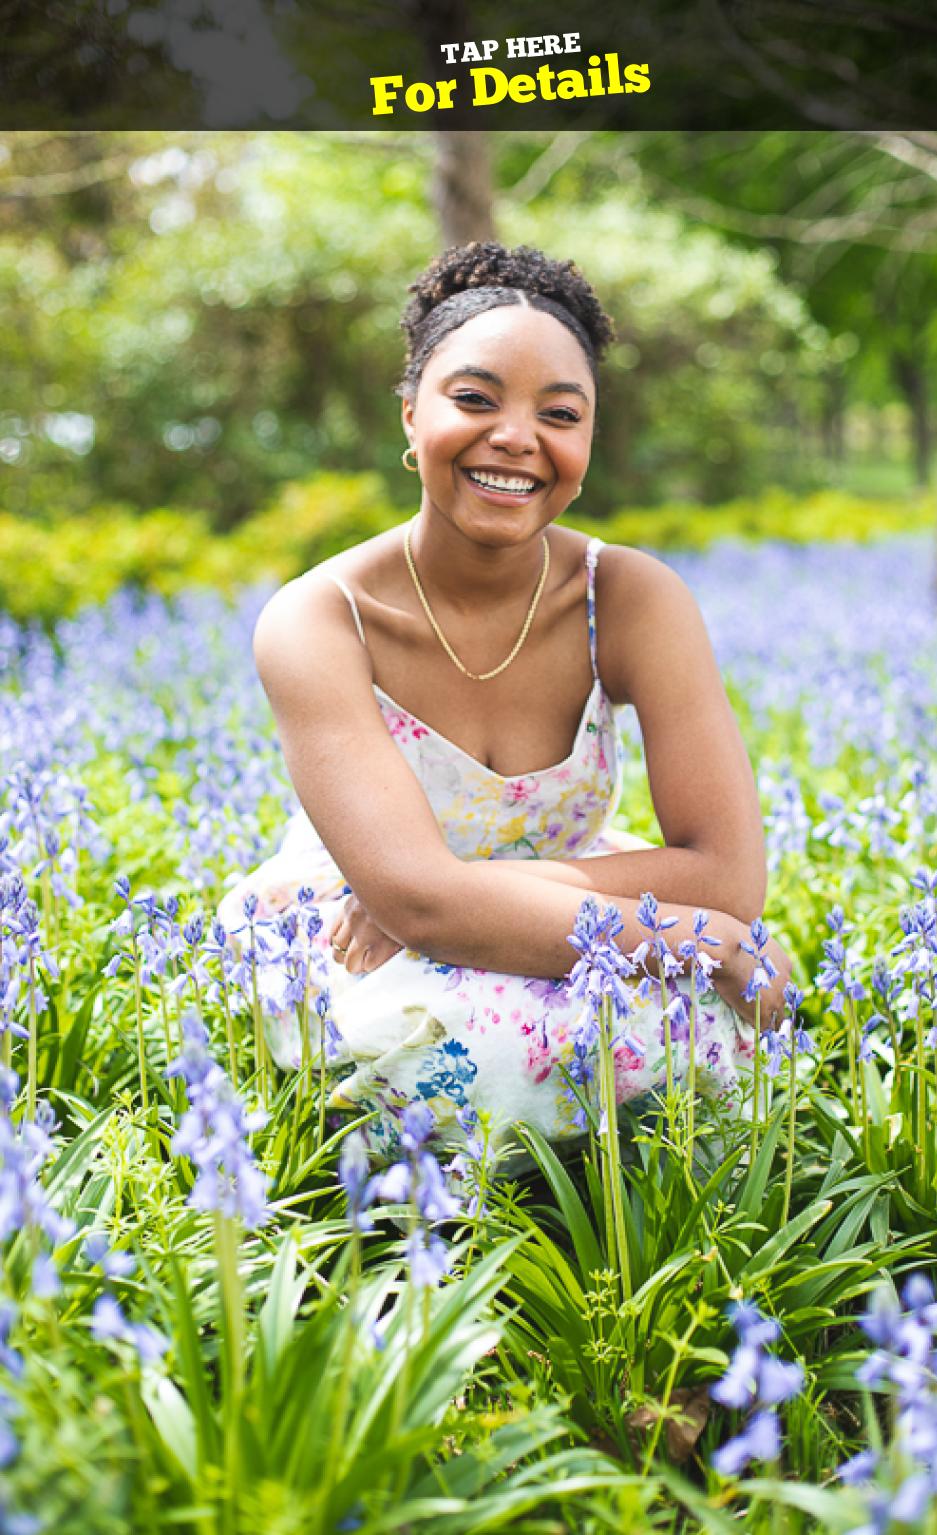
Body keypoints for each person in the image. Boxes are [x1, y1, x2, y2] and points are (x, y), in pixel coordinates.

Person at [216, 240, 791, 1164]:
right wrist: (697, 941)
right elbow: (415, 905)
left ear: (588, 440)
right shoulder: (319, 618)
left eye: (558, 413)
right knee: (463, 1046)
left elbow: (726, 873)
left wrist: (437, 889)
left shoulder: (633, 598)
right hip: (363, 928)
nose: (517, 437)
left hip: (549, 905)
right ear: (410, 417)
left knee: (694, 1029)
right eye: (474, 399)